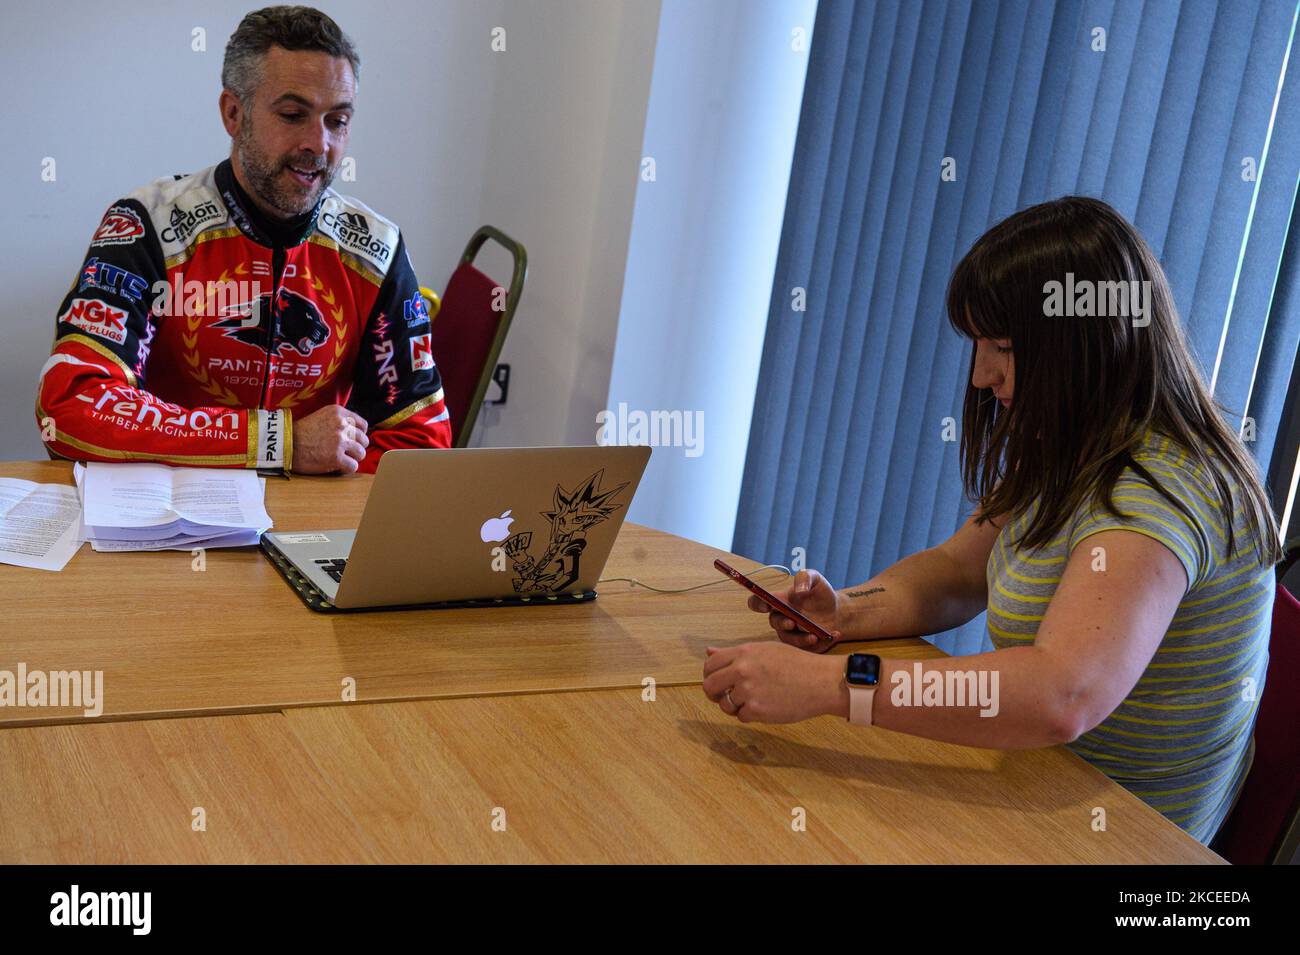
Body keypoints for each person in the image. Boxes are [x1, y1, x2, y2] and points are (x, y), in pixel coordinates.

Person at [704, 196, 1283, 845]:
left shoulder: (1162, 489)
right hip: (1034, 789)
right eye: (979, 344)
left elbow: (1060, 697)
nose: (981, 375)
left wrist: (833, 684)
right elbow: (957, 571)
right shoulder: (1077, 442)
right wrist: (846, 613)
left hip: (1119, 839)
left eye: (1003, 346)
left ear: (1086, 342)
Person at [36, 5, 450, 475]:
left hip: (307, 528)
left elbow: (420, 443)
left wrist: (308, 490)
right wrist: (276, 441)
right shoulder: (146, 226)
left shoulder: (375, 249)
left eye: (337, 121)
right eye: (293, 115)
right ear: (234, 114)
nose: (319, 144)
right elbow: (70, 409)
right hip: (162, 520)